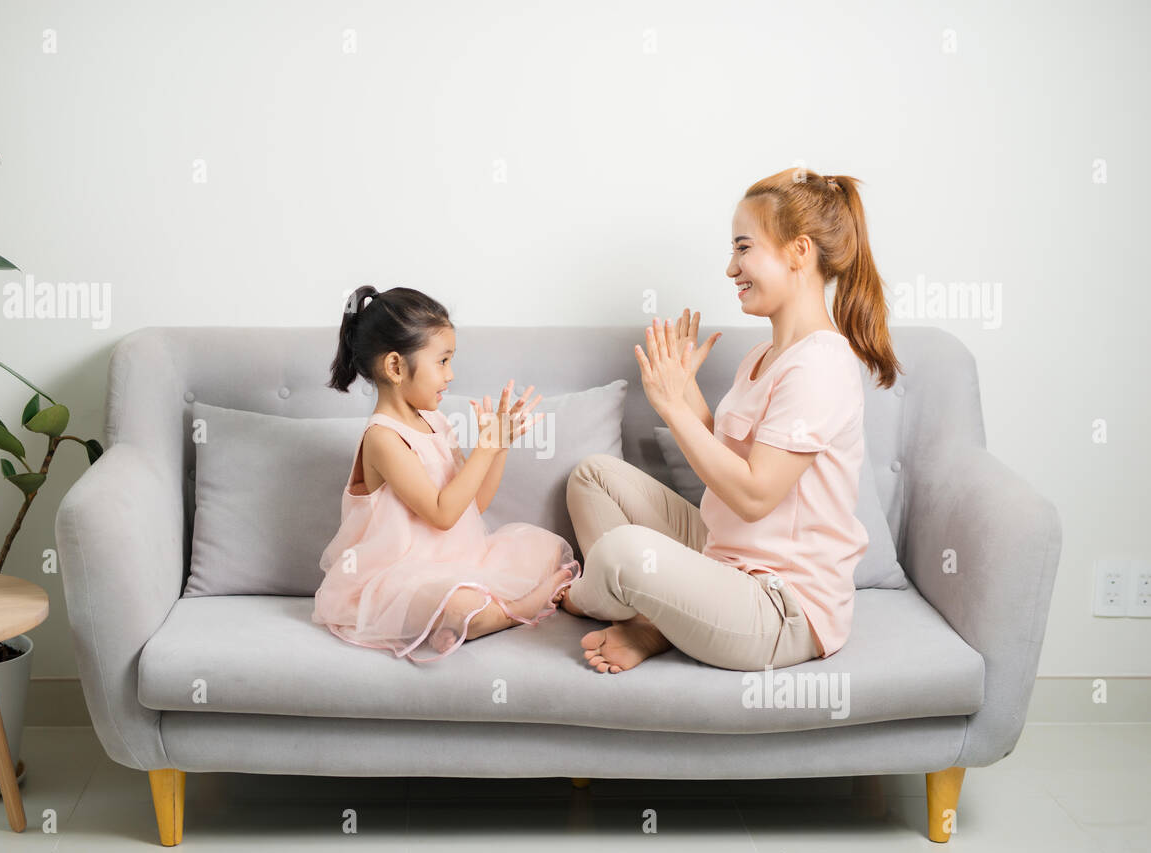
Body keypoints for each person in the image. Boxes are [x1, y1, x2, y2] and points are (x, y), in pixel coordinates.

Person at [552, 169, 903, 674]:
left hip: (780, 607)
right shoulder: (765, 355)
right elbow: (729, 469)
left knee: (622, 552)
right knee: (593, 476)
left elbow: (756, 495)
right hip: (726, 558)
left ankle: (588, 599)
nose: (730, 268)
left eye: (743, 248)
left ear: (798, 252)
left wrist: (673, 408)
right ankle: (661, 617)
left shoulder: (821, 363)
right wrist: (688, 399)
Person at [313, 284, 580, 662]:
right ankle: (514, 608)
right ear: (395, 366)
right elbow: (441, 514)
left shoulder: (436, 422)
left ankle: (461, 623)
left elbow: (472, 506)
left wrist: (498, 446)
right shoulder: (383, 438)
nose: (450, 374)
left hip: (464, 560)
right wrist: (484, 447)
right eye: (442, 362)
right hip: (402, 578)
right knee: (457, 604)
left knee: (546, 549)